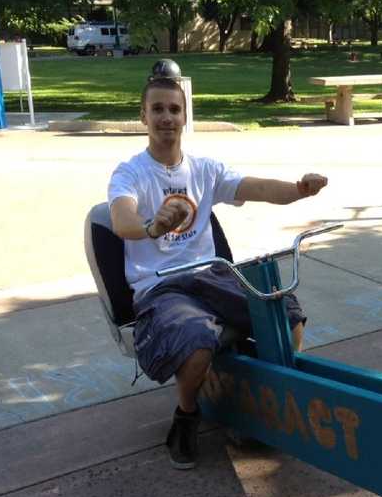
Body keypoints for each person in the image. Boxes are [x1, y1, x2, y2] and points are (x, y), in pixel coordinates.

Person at [108, 76, 328, 470]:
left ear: (184, 116)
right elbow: (123, 220)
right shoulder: (129, 174)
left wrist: (298, 189)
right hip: (161, 287)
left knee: (287, 316)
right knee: (196, 341)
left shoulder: (205, 169)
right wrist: (152, 227)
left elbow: (257, 187)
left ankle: (257, 403)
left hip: (211, 276)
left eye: (174, 109)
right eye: (157, 109)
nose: (166, 118)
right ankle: (186, 416)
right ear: (143, 115)